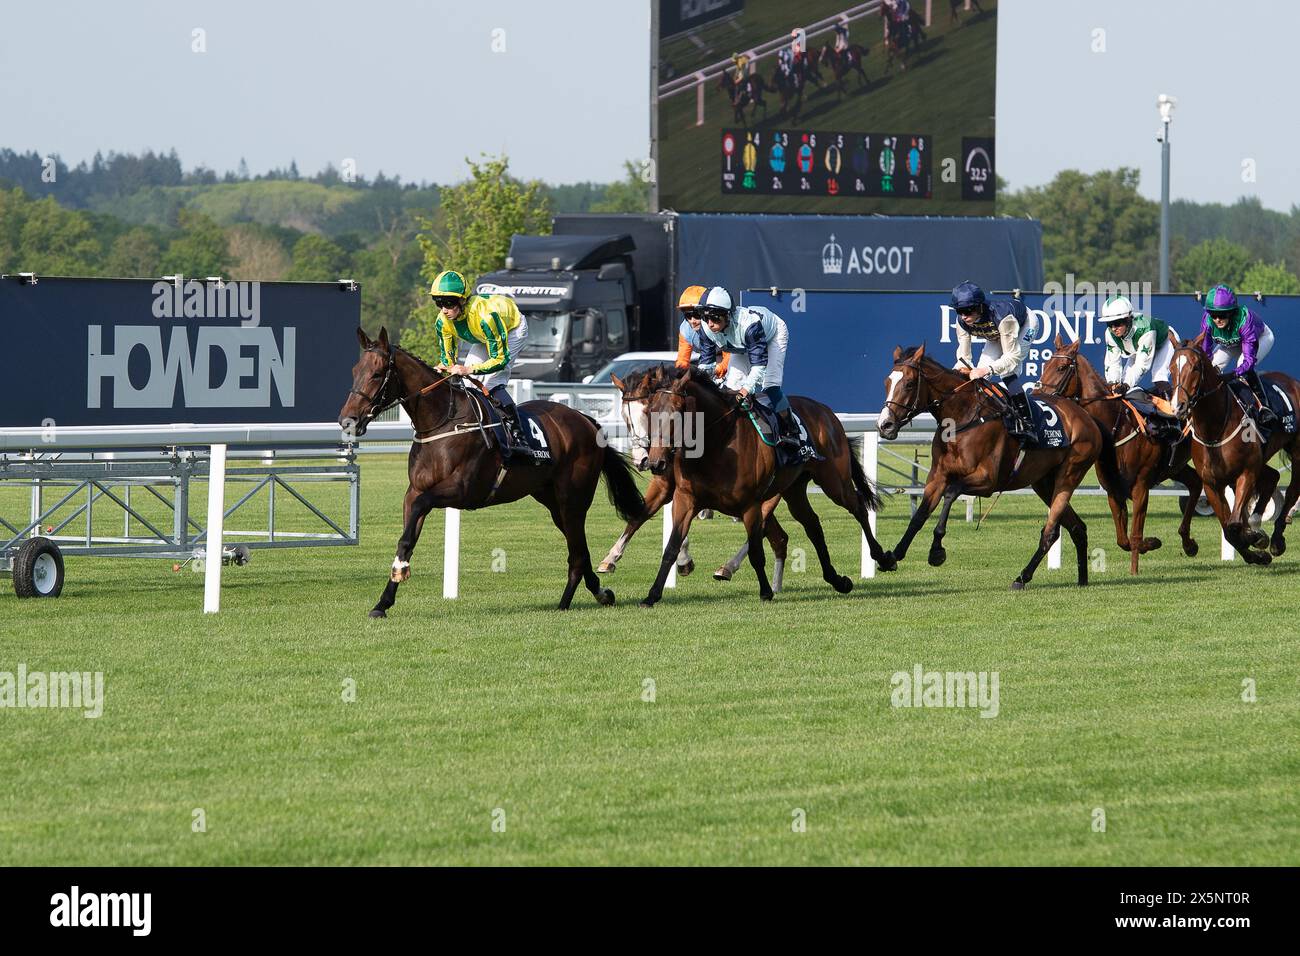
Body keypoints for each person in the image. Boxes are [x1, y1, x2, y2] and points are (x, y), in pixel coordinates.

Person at [428, 269, 531, 458]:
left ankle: (519, 437)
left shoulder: (486, 317)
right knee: (467, 384)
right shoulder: (442, 322)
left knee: (491, 384)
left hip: (513, 329)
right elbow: (448, 360)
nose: (444, 309)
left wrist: (468, 368)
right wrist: (443, 367)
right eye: (439, 303)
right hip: (483, 336)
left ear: (462, 300)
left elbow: (500, 360)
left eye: (448, 303)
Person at [695, 286, 806, 456]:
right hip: (740, 346)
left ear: (728, 315)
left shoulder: (750, 326)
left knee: (770, 386)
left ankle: (791, 429)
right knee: (731, 387)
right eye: (705, 317)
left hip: (772, 335)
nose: (710, 323)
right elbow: (706, 365)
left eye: (715, 318)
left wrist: (746, 389)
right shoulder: (706, 329)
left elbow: (759, 366)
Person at [950, 280, 1040, 442]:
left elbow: (1012, 357)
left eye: (968, 310)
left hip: (1024, 325)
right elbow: (964, 358)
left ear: (980, 306)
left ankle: (1027, 423)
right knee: (979, 377)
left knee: (1007, 371)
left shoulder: (1004, 318)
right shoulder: (961, 321)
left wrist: (987, 369)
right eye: (959, 311)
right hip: (996, 333)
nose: (964, 315)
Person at [1099, 295, 1182, 440]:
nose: (1114, 328)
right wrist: (1113, 383)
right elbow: (1112, 362)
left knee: (1159, 377)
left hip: (1164, 344)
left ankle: (1176, 421)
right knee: (1121, 387)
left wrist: (1125, 385)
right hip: (1137, 349)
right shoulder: (1110, 334)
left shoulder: (1145, 328)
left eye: (1117, 323)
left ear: (1128, 319)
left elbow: (1142, 365)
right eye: (1109, 324)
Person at [1199, 284, 1278, 427]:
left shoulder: (1244, 320)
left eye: (1222, 315)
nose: (1217, 319)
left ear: (1231, 312)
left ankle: (1264, 407)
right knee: (1211, 367)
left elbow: (1248, 360)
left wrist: (1233, 374)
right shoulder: (1207, 320)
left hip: (1260, 338)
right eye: (1213, 314)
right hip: (1230, 342)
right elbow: (1206, 352)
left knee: (1242, 366)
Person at [675, 285, 730, 383]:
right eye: (688, 316)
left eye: (696, 315)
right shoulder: (685, 329)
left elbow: (730, 356)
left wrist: (717, 370)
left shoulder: (721, 324)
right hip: (707, 357)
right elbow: (682, 360)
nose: (692, 321)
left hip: (733, 356)